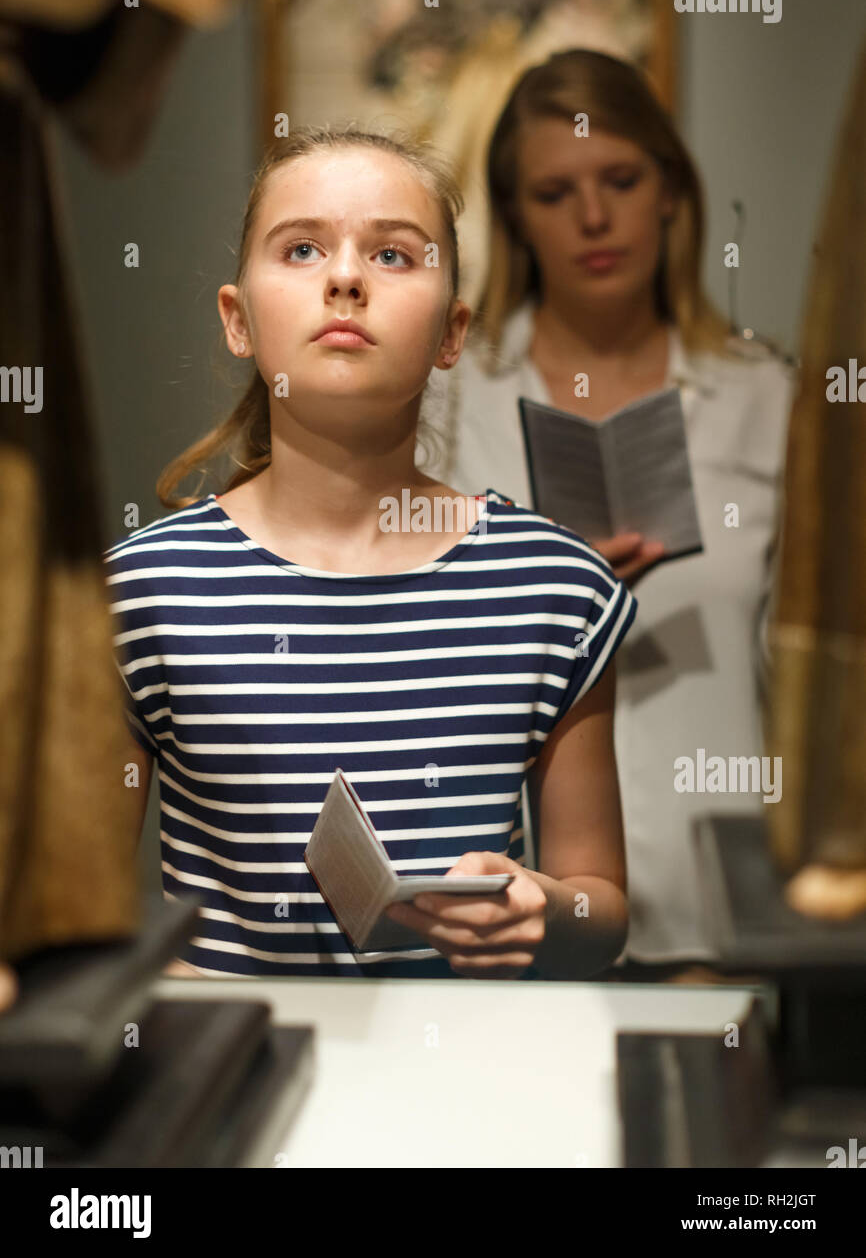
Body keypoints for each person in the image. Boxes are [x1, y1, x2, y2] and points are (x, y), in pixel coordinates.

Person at [103, 125, 637, 980]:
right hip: (231, 1087)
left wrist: (541, 906)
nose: (346, 278)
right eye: (304, 248)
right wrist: (168, 982)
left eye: (393, 256)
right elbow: (75, 914)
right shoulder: (144, 592)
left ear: (451, 333)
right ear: (238, 322)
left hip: (467, 1085)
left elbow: (600, 903)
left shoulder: (555, 588)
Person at [421, 50, 796, 978]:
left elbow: (807, 666)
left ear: (670, 190)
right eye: (555, 193)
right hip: (511, 898)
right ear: (514, 214)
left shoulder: (767, 395)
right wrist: (548, 594)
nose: (594, 218)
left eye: (620, 181)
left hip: (722, 898)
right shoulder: (449, 395)